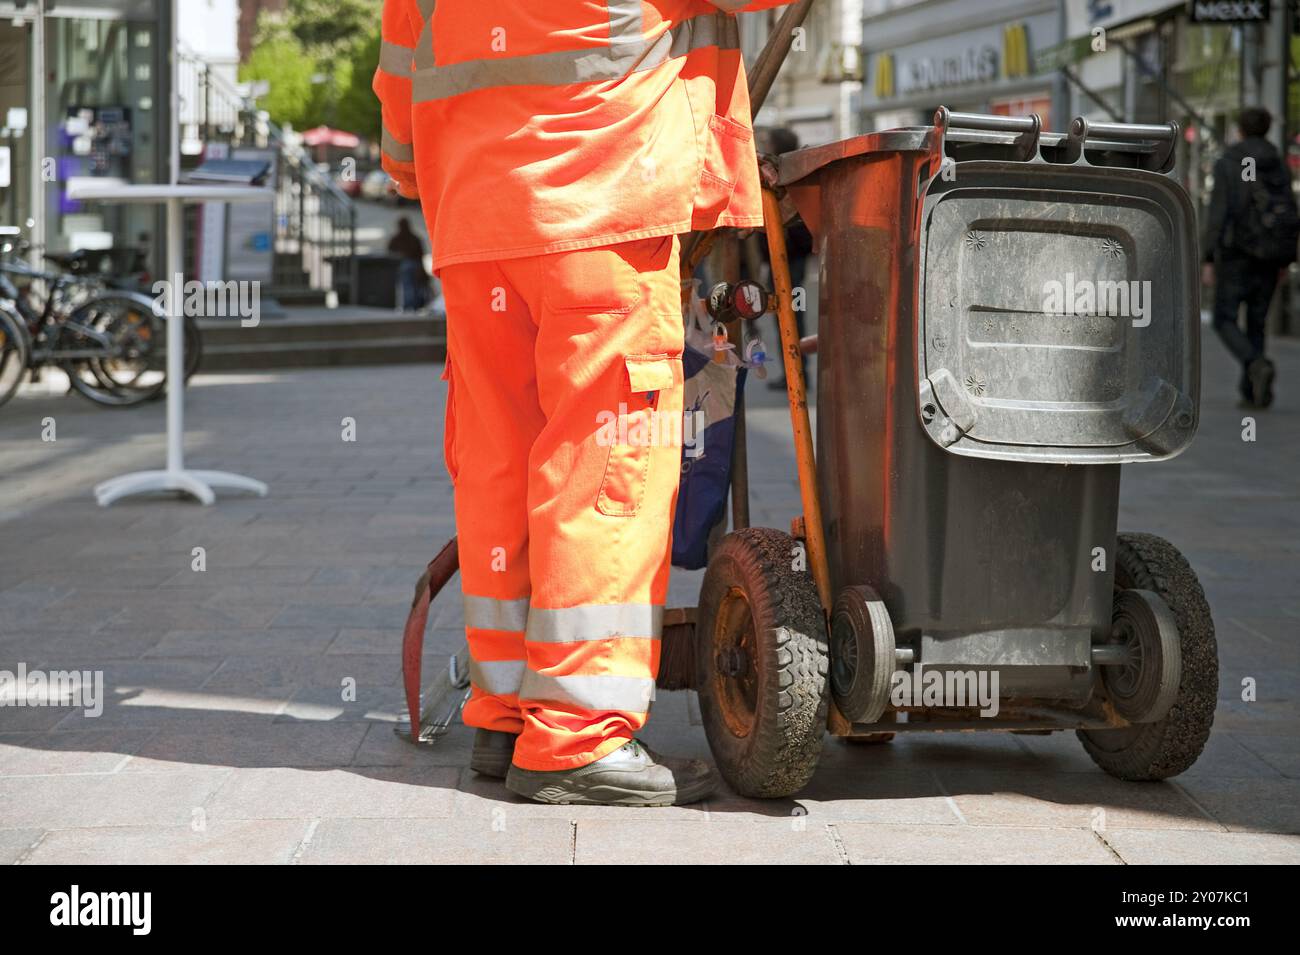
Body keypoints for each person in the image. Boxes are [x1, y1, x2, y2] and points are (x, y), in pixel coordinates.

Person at [374, 0, 793, 806]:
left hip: (475, 221)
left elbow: (399, 89)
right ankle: (575, 732)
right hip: (600, 202)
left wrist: (445, 169)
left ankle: (505, 710)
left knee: (500, 462)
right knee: (604, 464)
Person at [1201, 106, 1298, 408]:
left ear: (1240, 130)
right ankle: (1255, 393)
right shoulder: (1276, 162)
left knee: (1224, 318)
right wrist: (1285, 258)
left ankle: (1255, 364)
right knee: (1257, 321)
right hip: (1270, 255)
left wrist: (1208, 256)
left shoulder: (1230, 161)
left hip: (1236, 254)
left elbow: (1219, 213)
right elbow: (1289, 210)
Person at [387, 216, 430, 311]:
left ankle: (408, 305)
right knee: (413, 286)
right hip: (414, 265)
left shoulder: (396, 239)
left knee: (407, 286)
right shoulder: (415, 238)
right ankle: (414, 305)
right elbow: (421, 255)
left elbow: (389, 254)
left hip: (405, 266)